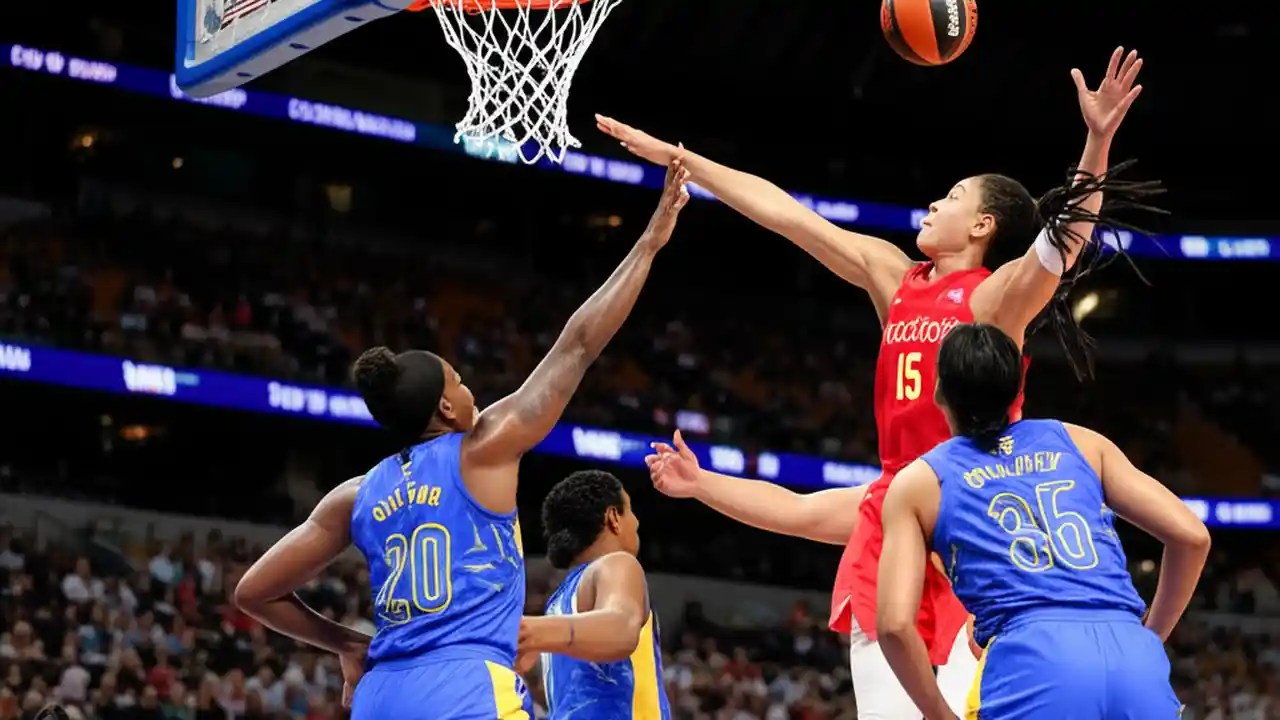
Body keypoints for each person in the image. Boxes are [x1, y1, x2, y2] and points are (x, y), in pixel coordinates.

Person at [626, 47, 1162, 718]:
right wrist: (686, 161)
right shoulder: (892, 277)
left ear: (983, 225)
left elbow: (1065, 240)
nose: (934, 202)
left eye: (954, 196)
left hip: (983, 520)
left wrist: (1099, 137)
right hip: (904, 499)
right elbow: (787, 215)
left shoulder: (995, 299)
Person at [231, 164, 691, 720]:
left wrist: (348, 644)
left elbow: (253, 593)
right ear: (447, 407)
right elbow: (578, 345)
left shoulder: (353, 496)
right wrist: (648, 244)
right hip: (465, 683)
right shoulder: (484, 447)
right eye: (459, 380)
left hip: (381, 695)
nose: (470, 387)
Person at [875, 322, 1209, 718]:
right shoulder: (1084, 443)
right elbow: (1192, 537)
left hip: (1034, 662)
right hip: (1134, 657)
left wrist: (939, 716)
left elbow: (894, 625)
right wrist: (1149, 637)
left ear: (938, 391)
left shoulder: (920, 482)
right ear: (1018, 392)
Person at [518, 470, 670, 719]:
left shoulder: (557, 603)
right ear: (613, 517)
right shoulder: (618, 564)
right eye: (629, 509)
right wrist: (531, 631)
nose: (637, 522)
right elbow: (622, 628)